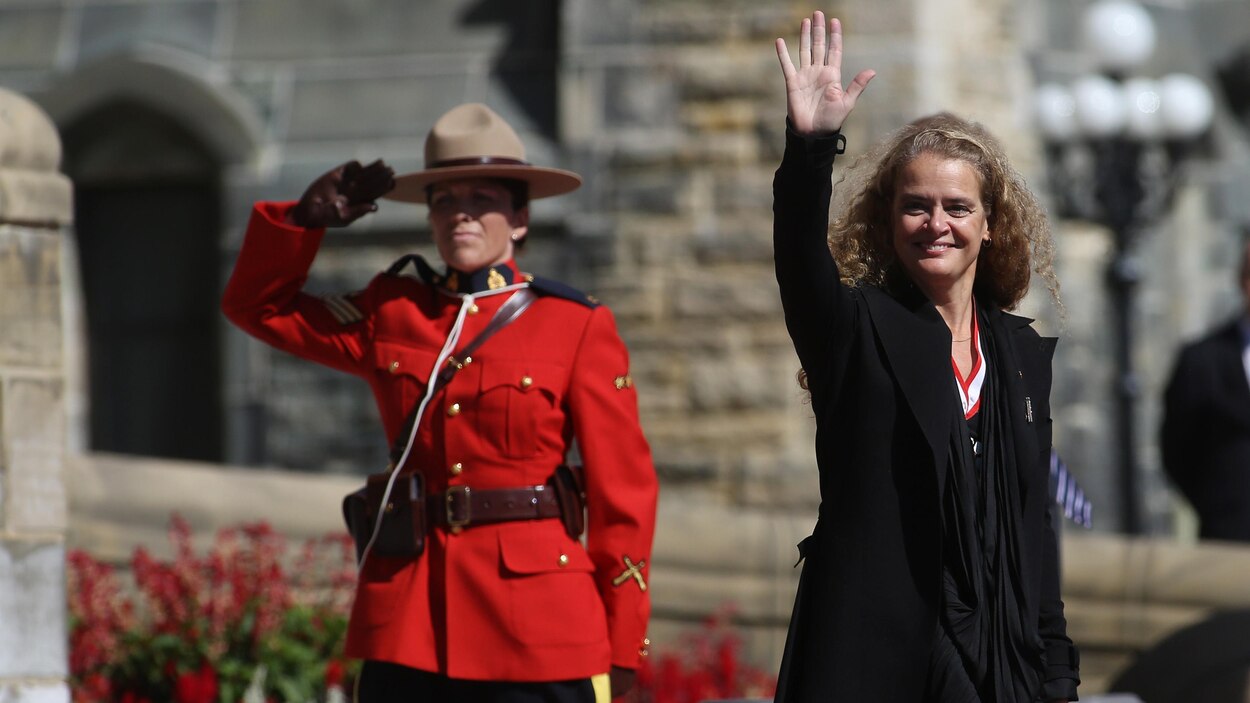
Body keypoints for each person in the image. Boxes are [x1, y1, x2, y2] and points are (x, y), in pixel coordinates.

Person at [222, 103, 658, 702]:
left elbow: (623, 493)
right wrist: (301, 223)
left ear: (520, 218)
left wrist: (625, 638)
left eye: (482, 197)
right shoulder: (392, 311)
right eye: (445, 199)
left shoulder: (575, 325)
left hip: (538, 623)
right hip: (412, 622)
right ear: (430, 218)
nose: (461, 213)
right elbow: (256, 308)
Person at [770, 12, 1079, 702]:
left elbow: (1035, 526)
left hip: (999, 653)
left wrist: (1057, 669)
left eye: (957, 207)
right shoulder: (855, 328)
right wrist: (810, 146)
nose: (937, 224)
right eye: (916, 206)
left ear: (989, 224)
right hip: (877, 659)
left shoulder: (1020, 355)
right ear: (888, 222)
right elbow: (798, 260)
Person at [1160, 239, 1250, 541]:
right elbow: (1176, 449)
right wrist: (1217, 506)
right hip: (1231, 535)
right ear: (1243, 282)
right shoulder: (1202, 360)